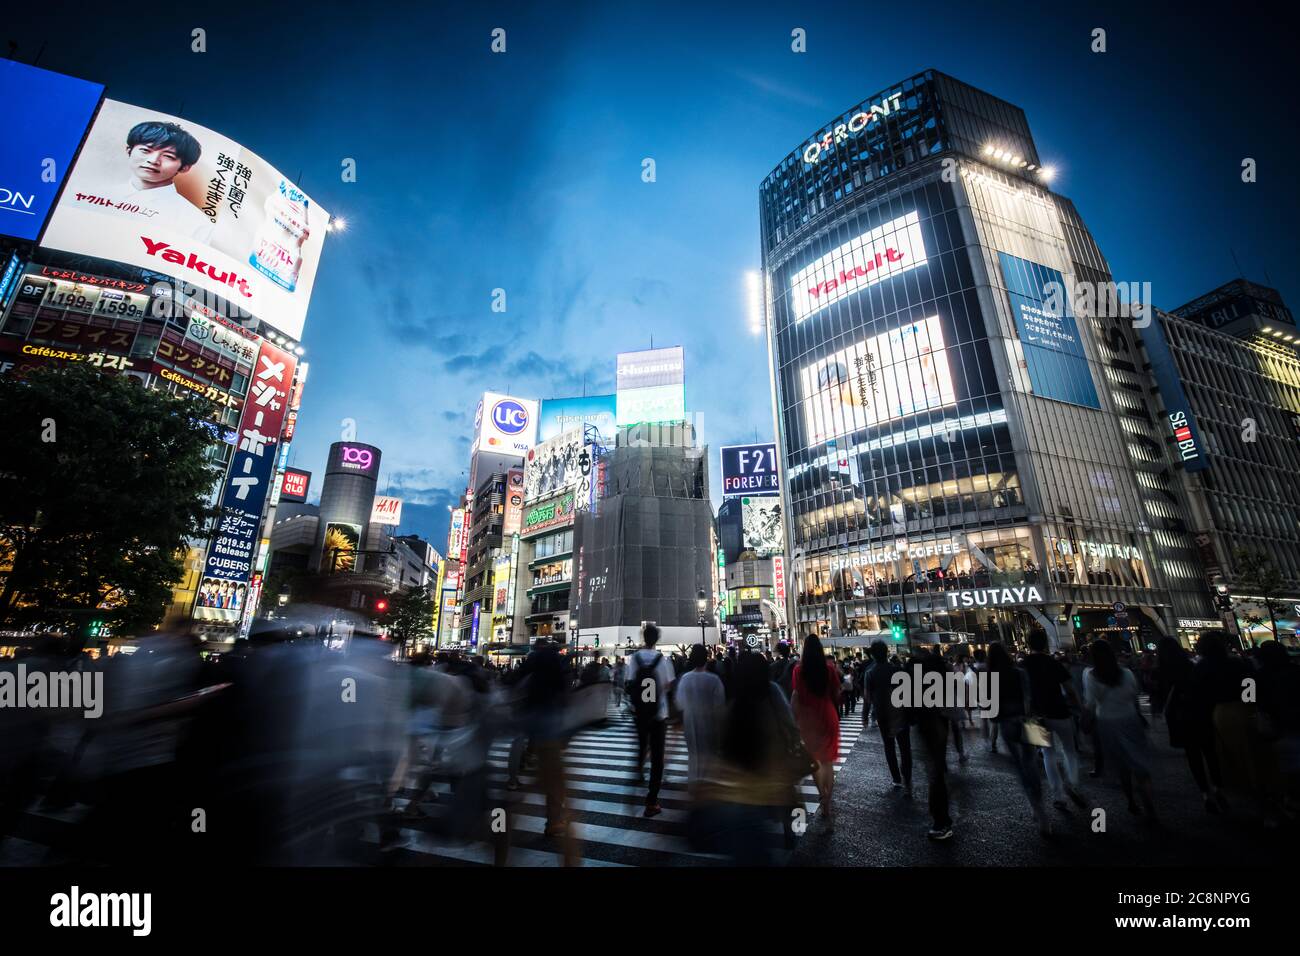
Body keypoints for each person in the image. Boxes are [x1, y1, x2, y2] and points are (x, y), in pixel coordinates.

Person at [1085, 639, 1157, 823]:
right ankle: (1148, 801)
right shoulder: (1126, 673)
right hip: (1130, 719)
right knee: (1140, 763)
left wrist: (1086, 720)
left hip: (1107, 723)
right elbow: (1135, 695)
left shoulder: (1091, 675)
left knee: (1122, 766)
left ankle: (1131, 801)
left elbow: (1091, 703)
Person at [987, 641, 1053, 836]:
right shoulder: (1019, 672)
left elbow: (990, 706)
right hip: (1029, 720)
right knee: (1032, 762)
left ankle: (1036, 808)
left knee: (1020, 766)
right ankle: (1041, 810)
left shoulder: (990, 677)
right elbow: (1029, 697)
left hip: (1007, 723)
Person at [1155, 637, 1226, 813]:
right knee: (1210, 752)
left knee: (1193, 756)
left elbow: (1158, 692)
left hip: (1180, 718)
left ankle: (1204, 793)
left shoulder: (1161, 671)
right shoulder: (1192, 666)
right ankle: (1218, 787)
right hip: (1200, 714)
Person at [1023, 631, 1085, 813]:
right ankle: (1073, 783)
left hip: (1034, 716)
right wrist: (1080, 708)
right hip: (1059, 711)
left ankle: (1058, 796)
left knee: (1047, 754)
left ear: (1028, 644)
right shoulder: (1054, 663)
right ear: (1044, 644)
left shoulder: (1022, 665)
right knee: (1069, 750)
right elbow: (1070, 689)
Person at [625, 624, 676, 818]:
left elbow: (630, 682)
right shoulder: (662, 660)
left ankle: (638, 772)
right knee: (657, 756)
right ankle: (652, 800)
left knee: (641, 745)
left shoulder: (635, 659)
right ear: (657, 639)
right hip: (658, 713)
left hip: (640, 713)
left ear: (643, 637)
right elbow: (668, 684)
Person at [791, 634, 841, 828]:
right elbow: (836, 693)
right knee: (828, 761)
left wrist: (794, 719)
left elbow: (796, 696)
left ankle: (822, 795)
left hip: (808, 718)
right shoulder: (829, 669)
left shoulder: (798, 671)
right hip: (828, 715)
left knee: (814, 761)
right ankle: (828, 798)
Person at [674, 644, 725, 793]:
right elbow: (719, 704)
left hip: (690, 722)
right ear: (706, 659)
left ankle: (694, 785)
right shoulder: (714, 679)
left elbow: (679, 703)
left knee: (693, 754)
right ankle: (708, 786)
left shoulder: (685, 679)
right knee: (709, 754)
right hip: (710, 723)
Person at [866, 639, 911, 794]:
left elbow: (867, 697)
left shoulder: (870, 673)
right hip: (900, 711)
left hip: (882, 713)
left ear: (872, 655)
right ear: (887, 653)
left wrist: (865, 715)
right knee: (905, 747)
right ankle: (908, 778)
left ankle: (897, 778)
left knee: (889, 746)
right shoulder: (897, 670)